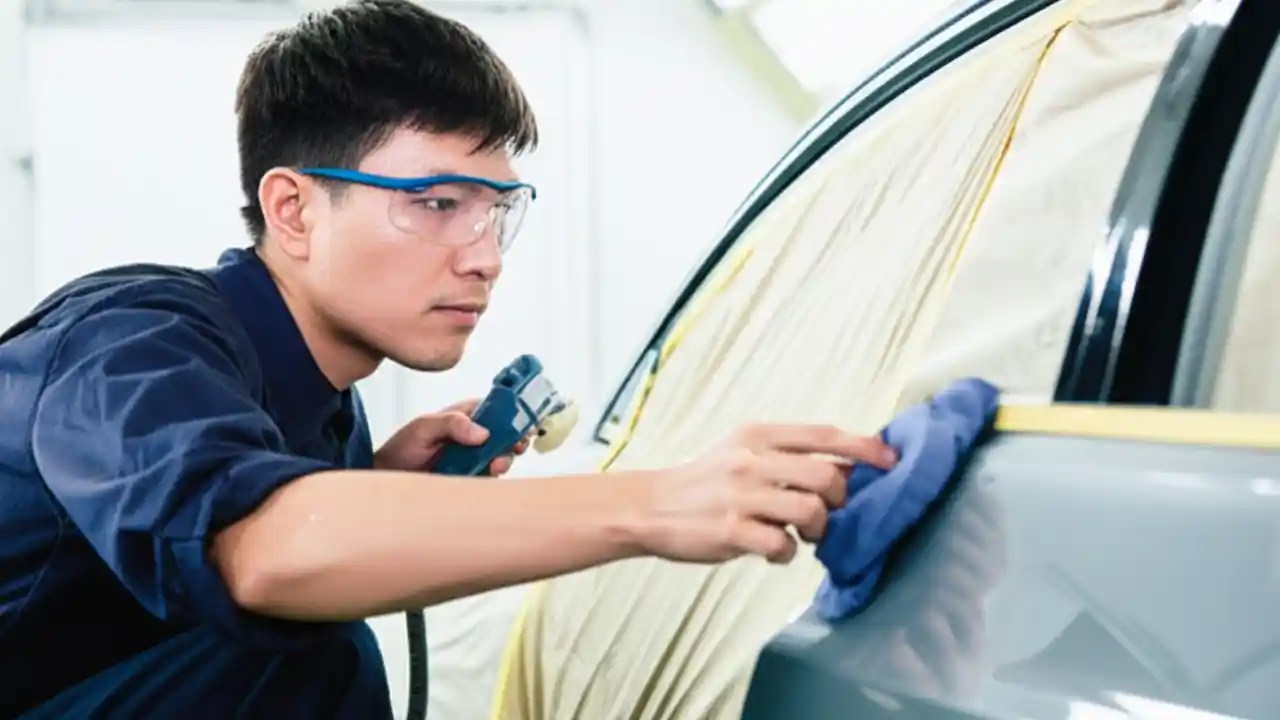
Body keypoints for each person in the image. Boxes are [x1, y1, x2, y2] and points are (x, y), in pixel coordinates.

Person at [0, 1, 897, 717]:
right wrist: (657, 501)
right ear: (294, 210)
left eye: (497, 209)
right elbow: (259, 553)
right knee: (304, 649)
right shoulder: (130, 340)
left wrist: (383, 483)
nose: (485, 256)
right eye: (435, 204)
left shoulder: (323, 411)